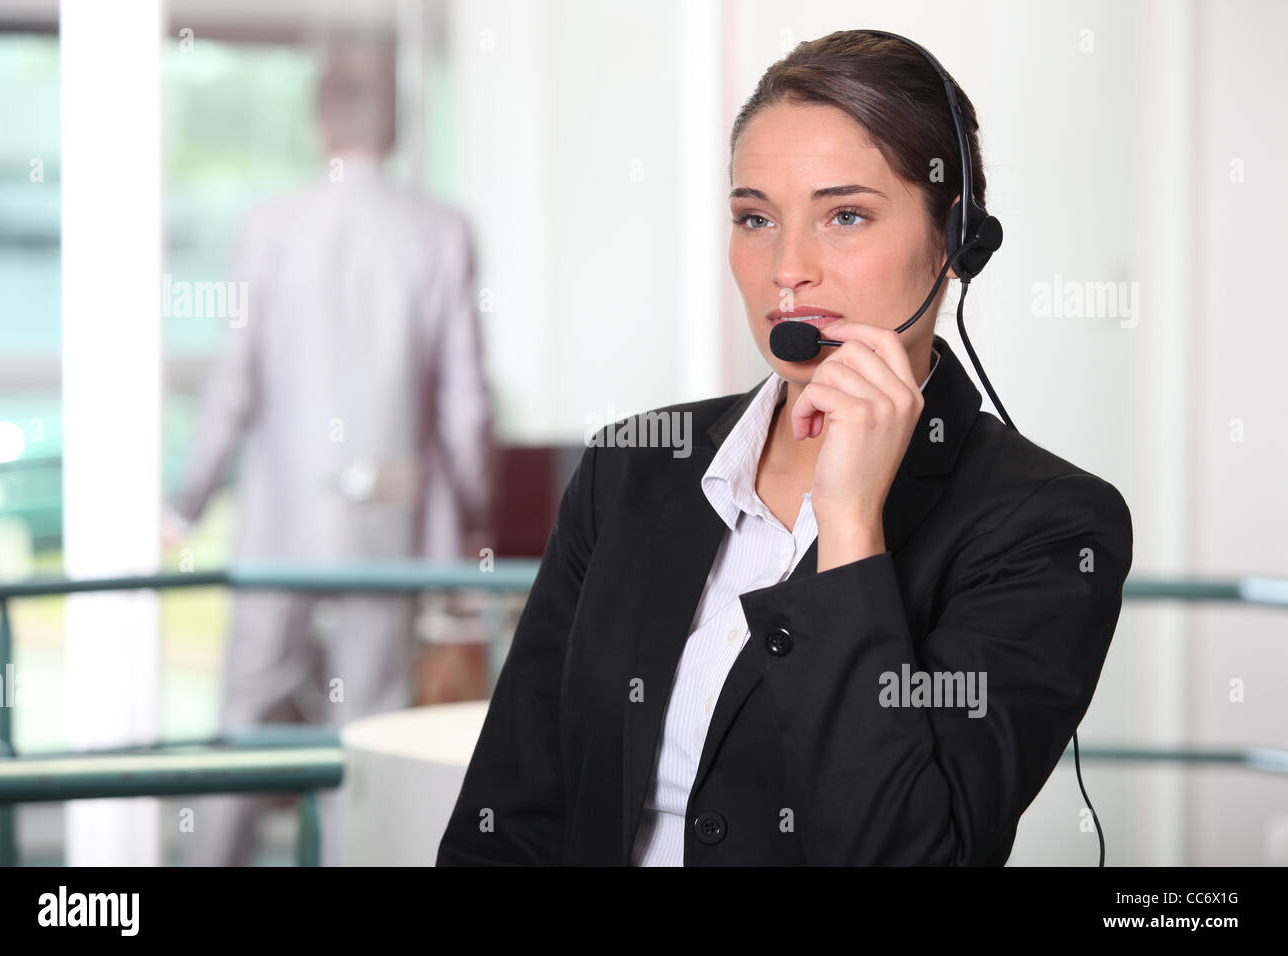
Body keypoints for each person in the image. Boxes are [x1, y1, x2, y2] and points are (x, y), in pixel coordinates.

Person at [435, 30, 1132, 866]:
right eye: (755, 218)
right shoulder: (629, 468)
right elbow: (513, 813)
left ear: (955, 243)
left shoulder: (1045, 526)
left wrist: (847, 524)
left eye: (845, 215)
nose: (787, 269)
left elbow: (908, 853)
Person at [168, 47, 493, 866]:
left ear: (320, 123)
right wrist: (473, 516)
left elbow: (234, 385)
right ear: (399, 125)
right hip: (388, 514)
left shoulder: (268, 226)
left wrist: (186, 501)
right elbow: (463, 404)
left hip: (281, 520)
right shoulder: (441, 230)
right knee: (364, 723)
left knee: (245, 714)